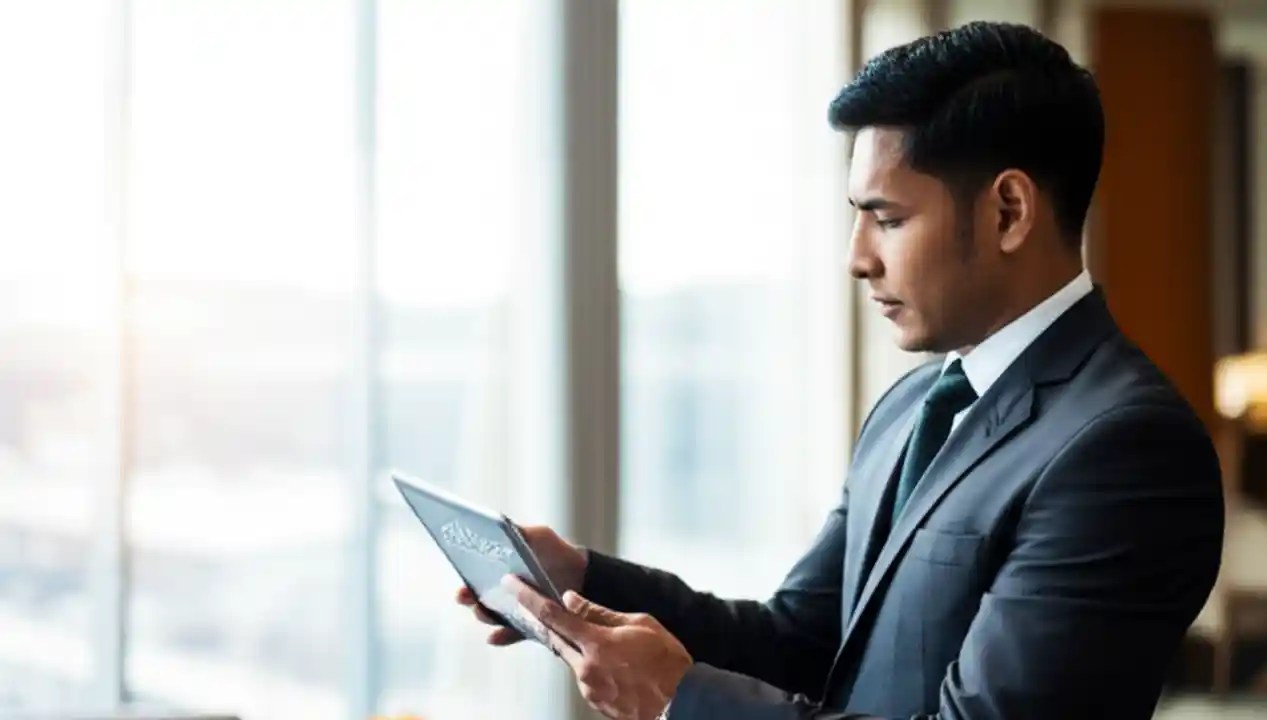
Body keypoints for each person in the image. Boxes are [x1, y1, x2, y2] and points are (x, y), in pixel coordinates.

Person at [457, 21, 1224, 719]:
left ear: (1008, 212)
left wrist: (677, 698)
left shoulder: (1125, 448)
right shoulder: (911, 407)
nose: (857, 259)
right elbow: (800, 641)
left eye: (888, 219)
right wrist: (580, 580)